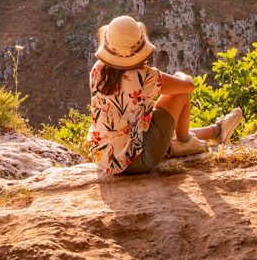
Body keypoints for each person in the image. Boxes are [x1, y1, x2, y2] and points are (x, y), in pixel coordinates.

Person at [87, 15, 244, 175]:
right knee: (180, 94)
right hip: (133, 161)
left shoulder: (98, 69)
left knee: (157, 123)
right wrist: (180, 74)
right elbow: (188, 86)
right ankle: (184, 141)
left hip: (102, 156)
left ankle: (217, 131)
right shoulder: (144, 76)